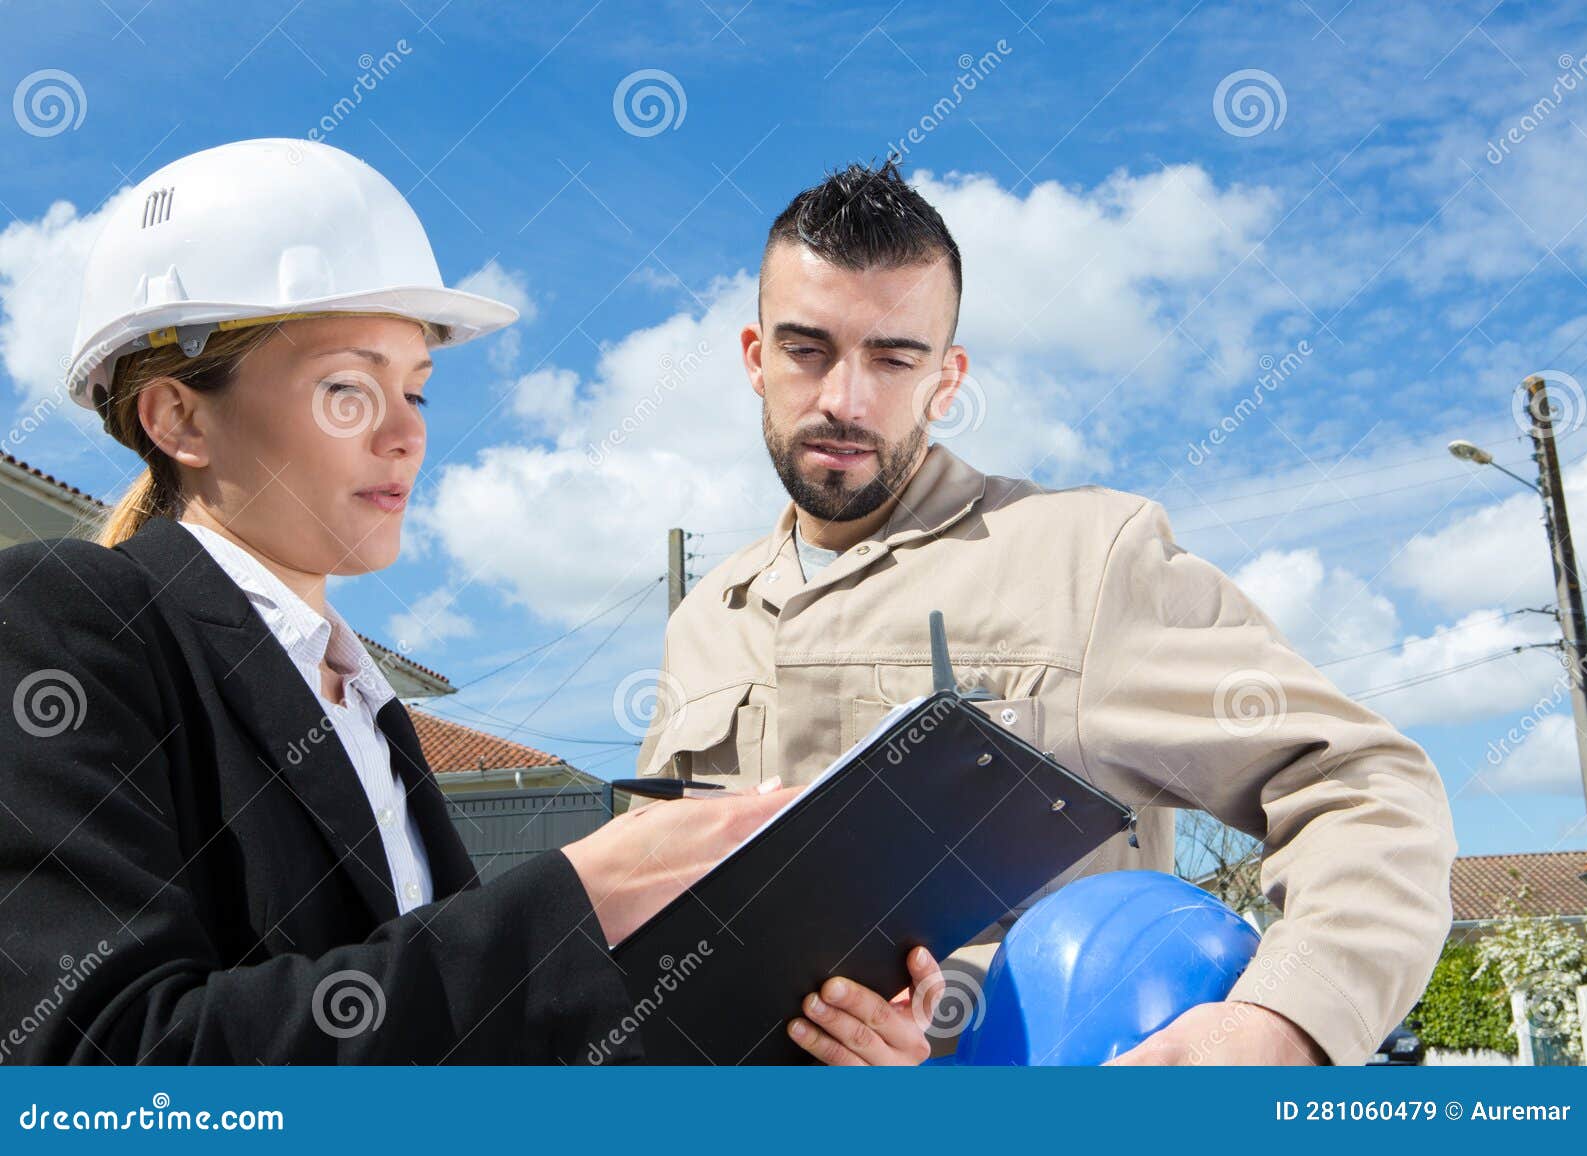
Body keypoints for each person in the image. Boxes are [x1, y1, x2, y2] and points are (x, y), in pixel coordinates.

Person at [0, 139, 939, 1065]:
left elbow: (451, 1044)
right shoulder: (69, 617)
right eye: (346, 389)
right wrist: (576, 895)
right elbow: (102, 1072)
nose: (407, 434)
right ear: (181, 418)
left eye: (415, 389)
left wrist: (800, 1032)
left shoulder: (368, 716)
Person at [634, 160, 1458, 1066]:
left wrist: (1278, 1027)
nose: (845, 399)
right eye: (808, 350)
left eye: (894, 358)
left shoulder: (1088, 563)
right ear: (757, 359)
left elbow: (1368, 787)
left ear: (947, 380)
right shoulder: (704, 621)